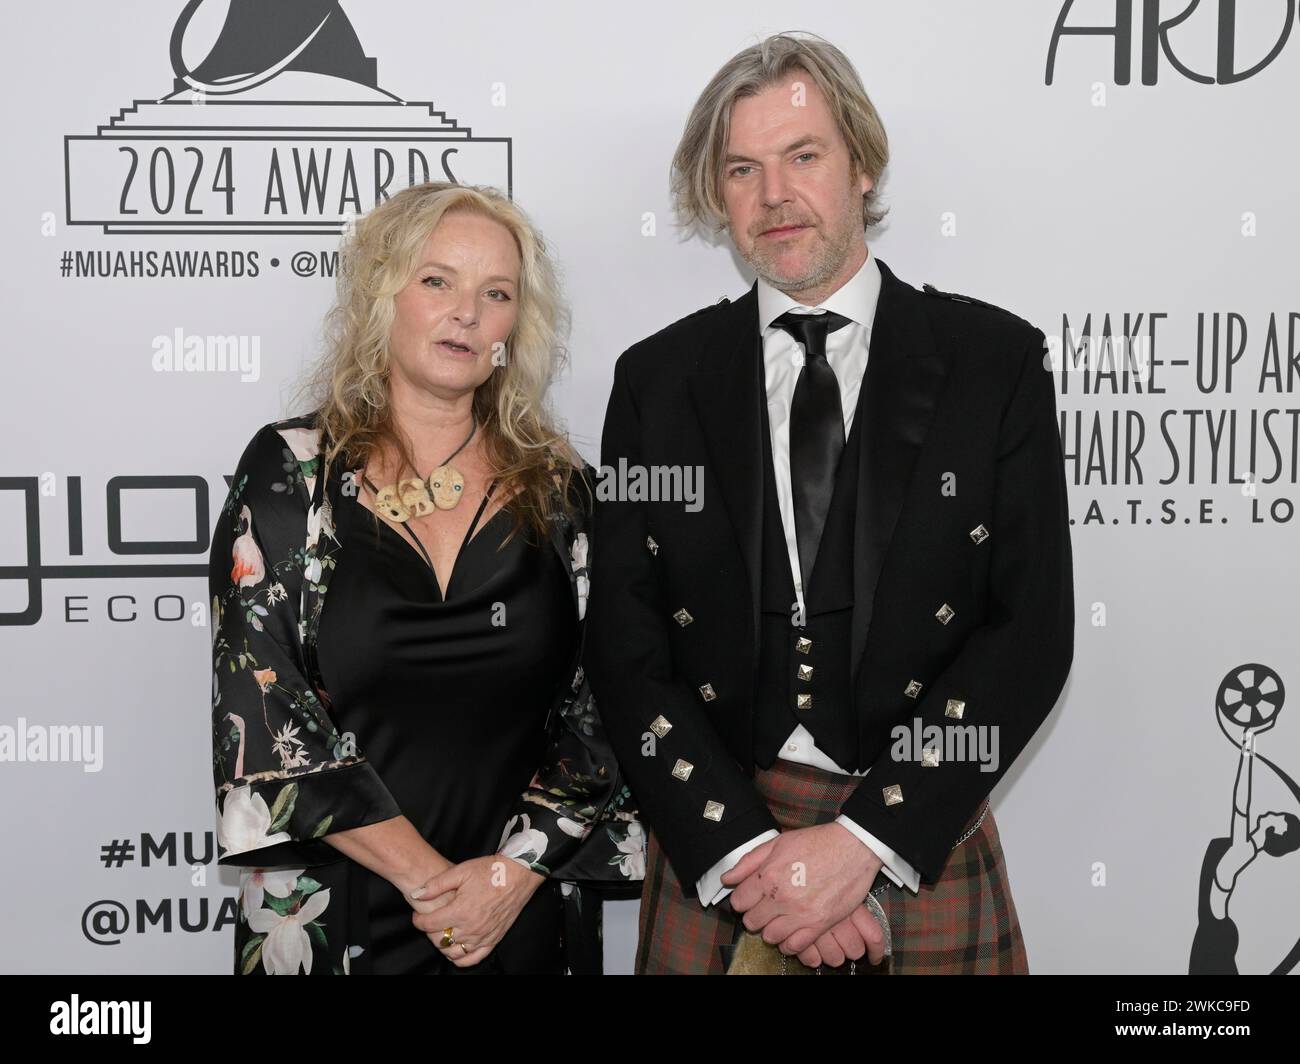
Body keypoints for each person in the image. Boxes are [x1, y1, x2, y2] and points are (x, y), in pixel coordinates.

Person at [585, 31, 1074, 974]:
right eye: (742, 169)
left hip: (917, 831)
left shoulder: (993, 363)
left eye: (803, 156)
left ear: (862, 166)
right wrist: (745, 856)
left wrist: (863, 845)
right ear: (715, 196)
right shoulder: (657, 382)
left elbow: (1031, 631)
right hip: (720, 842)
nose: (774, 196)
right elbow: (624, 642)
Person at [209, 180, 642, 976]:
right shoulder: (291, 474)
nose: (466, 313)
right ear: (383, 294)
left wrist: (510, 876)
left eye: (496, 292)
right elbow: (262, 707)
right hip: (331, 913)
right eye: (436, 280)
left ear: (518, 324)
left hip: (519, 907)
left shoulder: (562, 491)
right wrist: (437, 887)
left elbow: (607, 706)